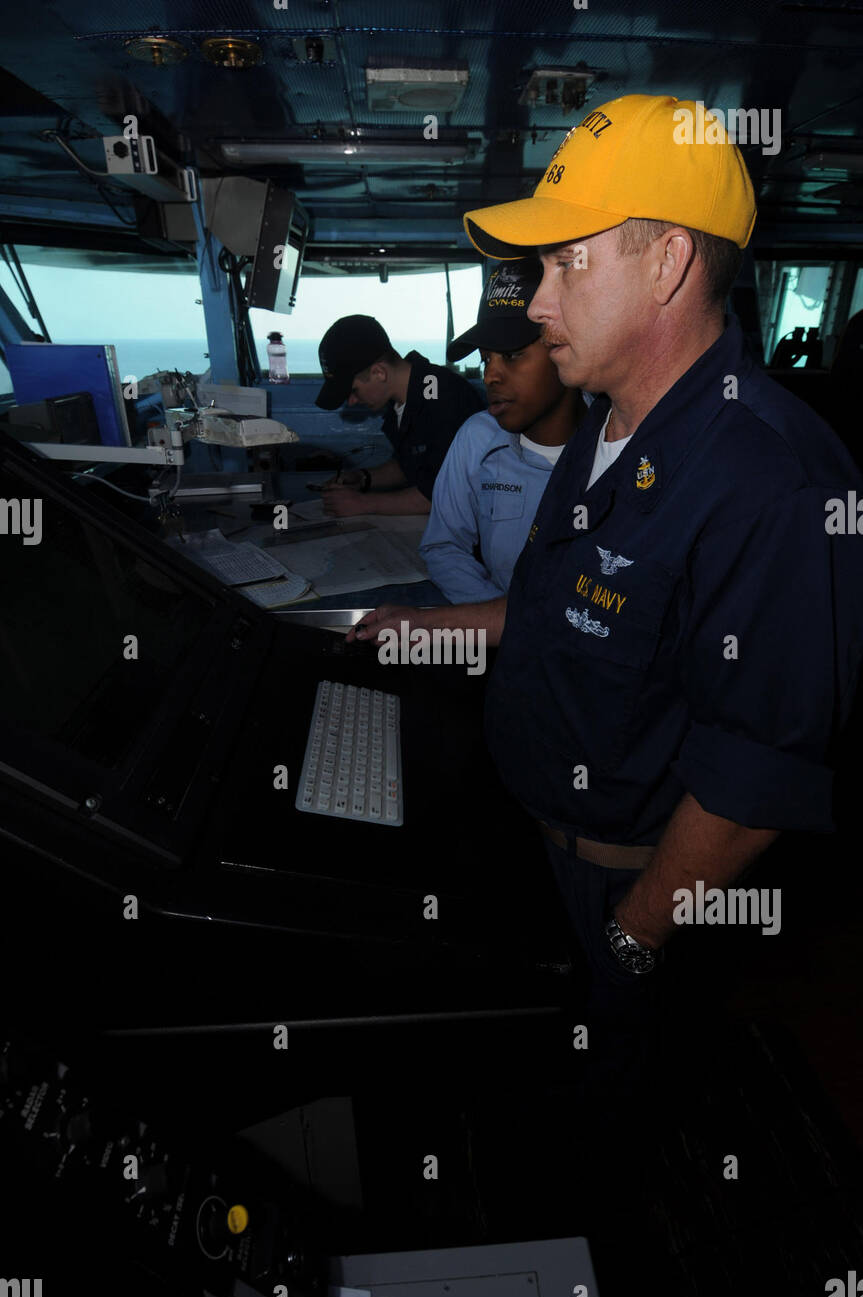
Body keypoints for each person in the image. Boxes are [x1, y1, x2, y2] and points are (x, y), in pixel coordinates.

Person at [347, 94, 863, 1160]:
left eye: (563, 265)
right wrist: (421, 629)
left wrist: (633, 931)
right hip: (536, 840)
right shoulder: (608, 429)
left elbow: (754, 771)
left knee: (619, 1121)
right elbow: (547, 616)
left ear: (668, 263)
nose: (534, 304)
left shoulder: (771, 481)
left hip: (630, 889)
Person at [420, 258, 588, 602]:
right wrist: (501, 621)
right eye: (486, 359)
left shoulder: (621, 443)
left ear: (566, 349)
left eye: (511, 355)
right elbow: (444, 545)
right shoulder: (477, 438)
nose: (490, 376)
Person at [313, 314, 482, 516]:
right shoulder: (400, 402)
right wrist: (363, 478)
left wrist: (363, 504)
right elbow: (412, 466)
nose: (351, 401)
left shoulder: (444, 397)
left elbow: (448, 492)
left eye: (354, 391)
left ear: (379, 373)